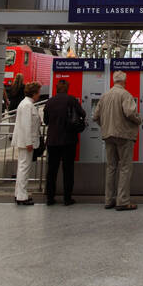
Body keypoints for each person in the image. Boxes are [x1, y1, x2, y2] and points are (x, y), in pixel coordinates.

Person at [94, 70, 142, 211]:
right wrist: (139, 120)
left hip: (108, 136)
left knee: (111, 167)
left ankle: (108, 200)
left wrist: (105, 126)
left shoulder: (105, 96)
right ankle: (122, 201)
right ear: (124, 81)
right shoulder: (125, 95)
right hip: (124, 136)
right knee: (125, 168)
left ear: (114, 81)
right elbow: (130, 112)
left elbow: (95, 116)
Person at [43, 78, 84, 206]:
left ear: (56, 88)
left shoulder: (50, 101)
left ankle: (50, 198)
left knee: (52, 170)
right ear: (67, 88)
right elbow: (83, 113)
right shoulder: (71, 100)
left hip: (53, 141)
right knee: (68, 170)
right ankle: (67, 198)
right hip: (68, 140)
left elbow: (46, 121)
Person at [13, 82, 43, 205]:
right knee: (24, 168)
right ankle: (22, 196)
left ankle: (19, 193)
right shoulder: (27, 106)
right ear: (34, 93)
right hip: (26, 143)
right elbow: (26, 126)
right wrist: (28, 143)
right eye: (38, 92)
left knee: (22, 167)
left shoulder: (27, 104)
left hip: (25, 142)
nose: (39, 95)